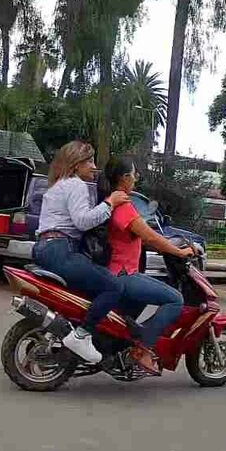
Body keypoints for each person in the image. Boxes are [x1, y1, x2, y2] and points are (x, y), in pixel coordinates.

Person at [33, 141, 130, 363]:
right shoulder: (76, 185)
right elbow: (83, 221)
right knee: (114, 286)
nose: (94, 167)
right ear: (76, 165)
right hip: (60, 249)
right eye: (89, 162)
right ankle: (82, 335)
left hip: (44, 248)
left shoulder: (59, 185)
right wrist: (110, 202)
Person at [100, 156, 193, 374]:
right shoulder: (123, 206)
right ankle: (143, 347)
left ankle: (120, 346)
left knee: (134, 311)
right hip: (122, 275)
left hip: (118, 273)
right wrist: (179, 251)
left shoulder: (114, 201)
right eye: (134, 174)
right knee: (174, 299)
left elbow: (141, 236)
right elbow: (150, 236)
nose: (136, 177)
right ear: (124, 178)